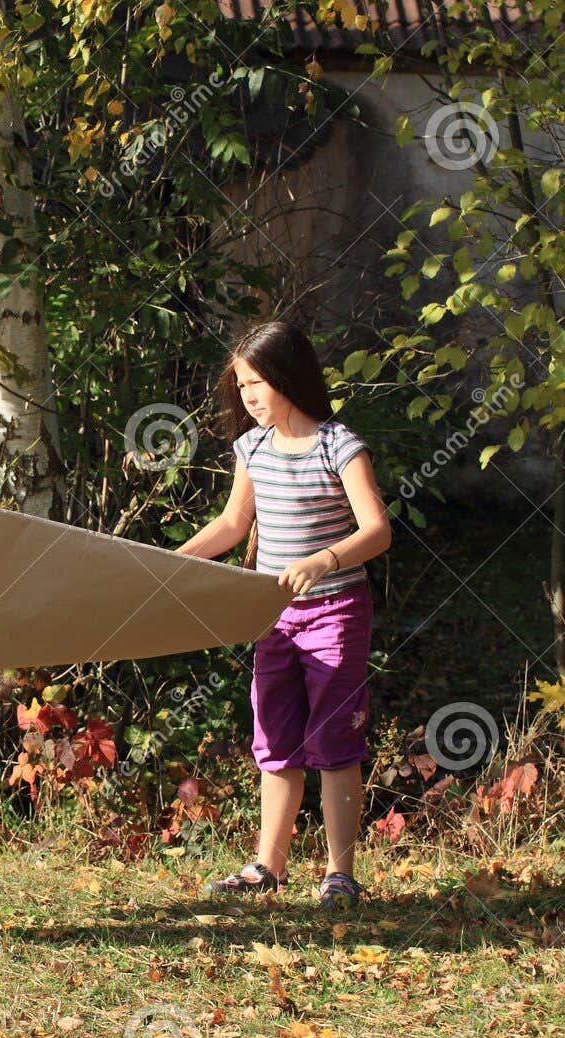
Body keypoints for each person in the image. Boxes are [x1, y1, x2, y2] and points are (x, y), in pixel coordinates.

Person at [176, 320, 391, 908]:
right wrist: (172, 564)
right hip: (273, 617)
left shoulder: (338, 445)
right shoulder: (251, 448)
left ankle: (340, 875)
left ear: (289, 376)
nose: (247, 395)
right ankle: (267, 868)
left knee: (334, 742)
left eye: (257, 382)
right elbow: (232, 524)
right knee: (274, 739)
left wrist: (324, 559)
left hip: (336, 613)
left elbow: (377, 530)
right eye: (240, 384)